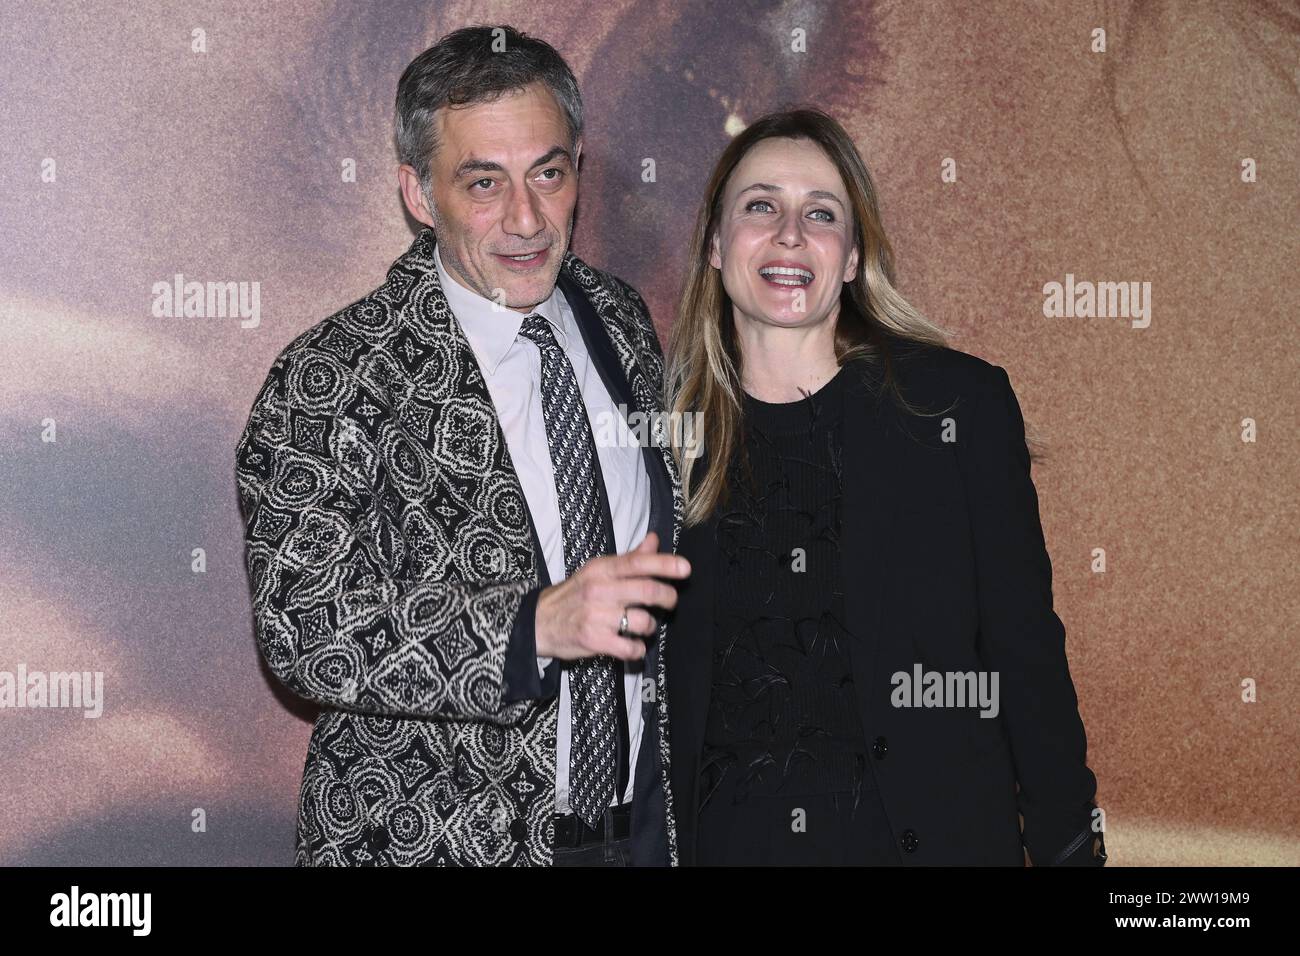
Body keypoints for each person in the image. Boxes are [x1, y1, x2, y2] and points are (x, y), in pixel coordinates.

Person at [235, 25, 690, 866]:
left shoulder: (620, 320)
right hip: (441, 840)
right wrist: (532, 630)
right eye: (483, 182)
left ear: (578, 166)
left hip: (637, 833)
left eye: (547, 173)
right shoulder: (332, 373)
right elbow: (302, 626)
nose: (526, 219)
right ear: (418, 192)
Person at [663, 107, 1106, 866]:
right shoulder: (663, 438)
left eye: (821, 213)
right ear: (714, 242)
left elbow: (1026, 656)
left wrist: (1072, 851)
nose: (791, 233)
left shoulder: (955, 406)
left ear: (852, 256)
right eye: (761, 205)